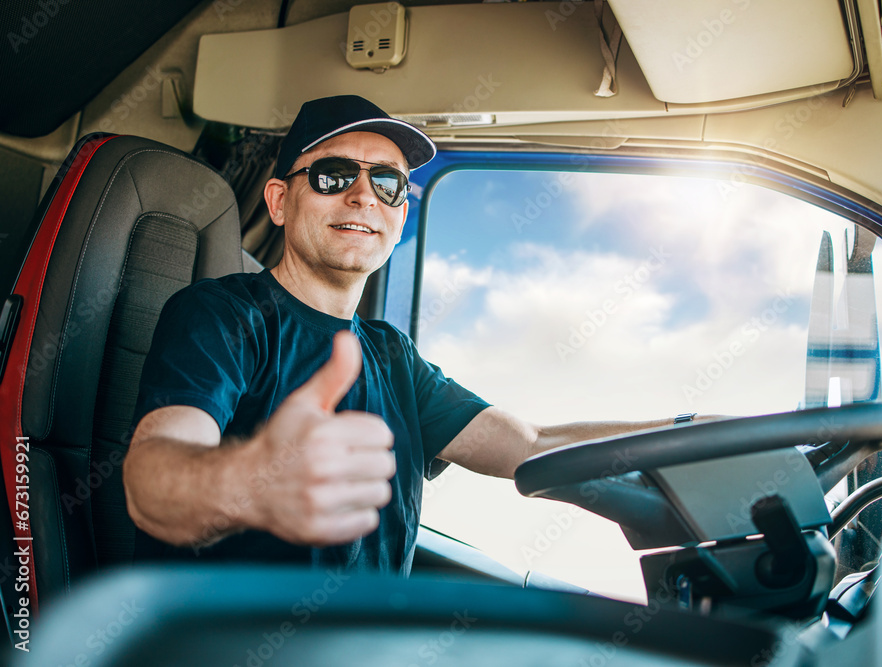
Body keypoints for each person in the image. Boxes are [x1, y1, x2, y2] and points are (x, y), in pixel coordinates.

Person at [123, 95, 697, 573]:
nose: (363, 196)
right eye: (333, 175)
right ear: (278, 200)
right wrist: (253, 479)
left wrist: (686, 432)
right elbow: (153, 481)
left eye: (388, 183)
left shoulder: (391, 354)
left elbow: (528, 443)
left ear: (399, 218)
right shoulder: (218, 316)